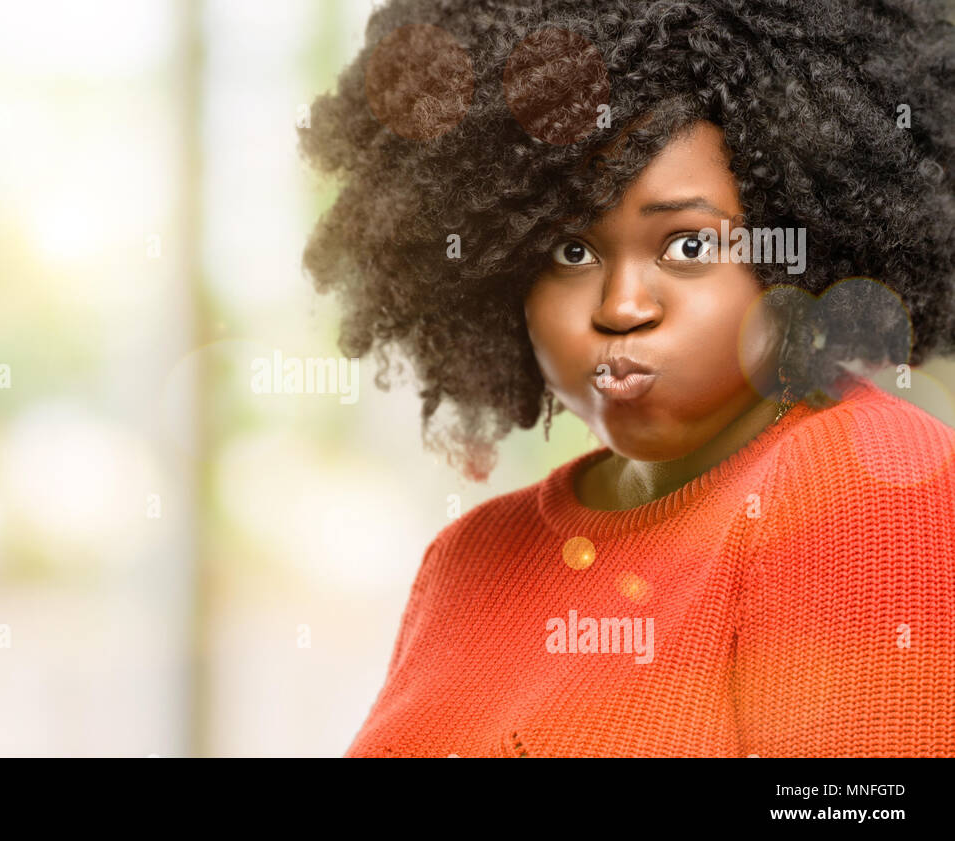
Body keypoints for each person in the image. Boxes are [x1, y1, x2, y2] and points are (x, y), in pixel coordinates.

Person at [298, 0, 955, 756]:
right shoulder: (467, 558)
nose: (621, 308)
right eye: (570, 253)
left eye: (685, 246)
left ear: (797, 253)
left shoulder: (872, 487)